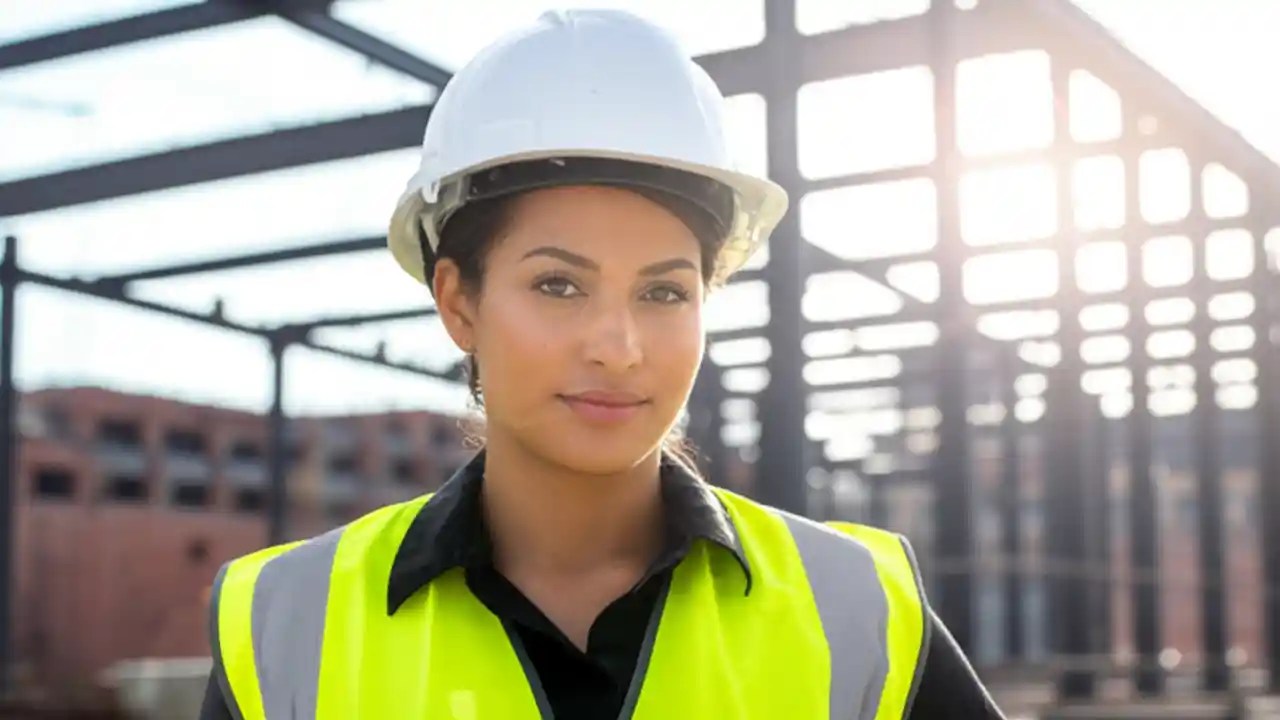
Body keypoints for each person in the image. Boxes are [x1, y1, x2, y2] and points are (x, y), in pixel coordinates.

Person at [200, 9, 1004, 719]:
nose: (618, 347)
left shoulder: (858, 608)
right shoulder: (286, 624)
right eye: (559, 284)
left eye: (663, 293)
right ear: (459, 303)